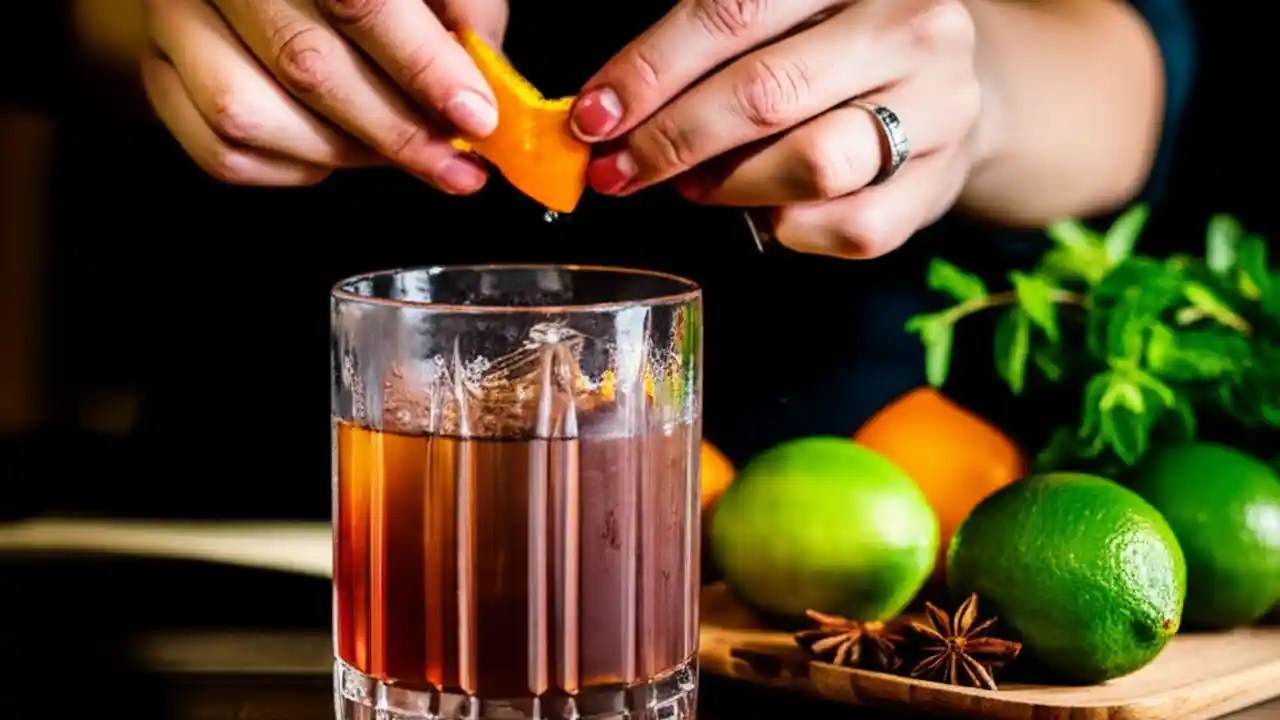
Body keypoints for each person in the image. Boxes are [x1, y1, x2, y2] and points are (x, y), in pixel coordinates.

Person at [4, 0, 1194, 519]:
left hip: (845, 527)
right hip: (282, 513)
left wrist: (969, 95)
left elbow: (1167, 66)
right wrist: (177, 19)